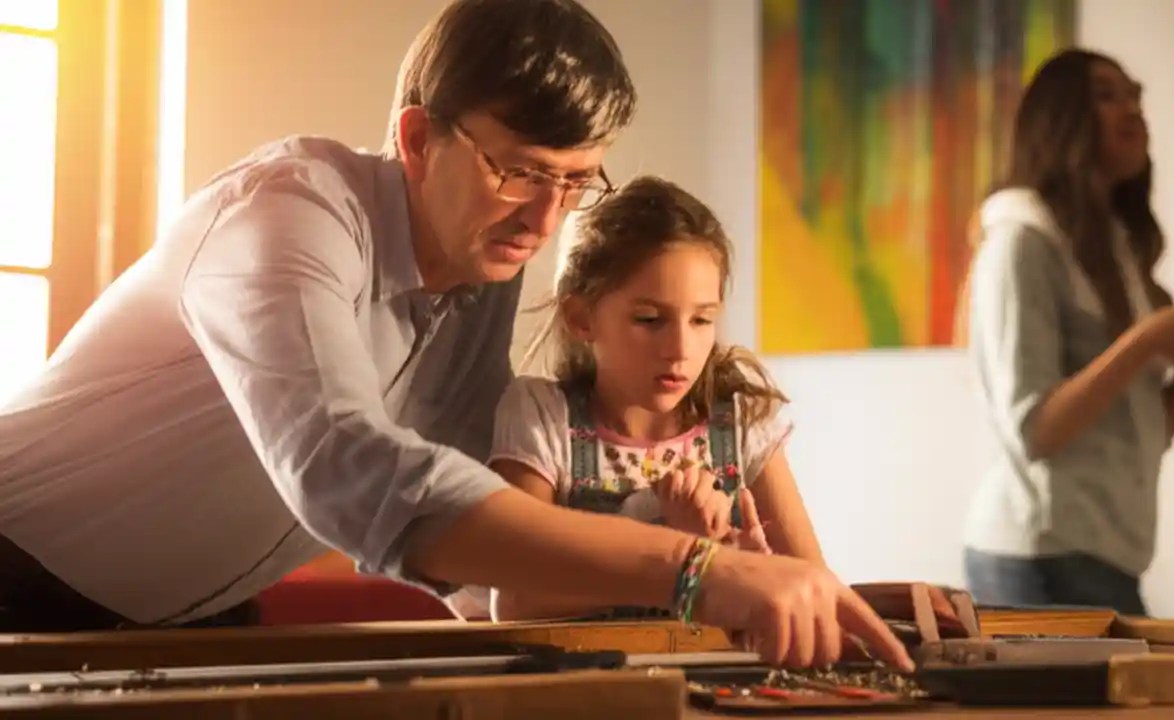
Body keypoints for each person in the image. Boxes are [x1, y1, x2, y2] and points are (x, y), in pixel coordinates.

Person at [0, 0, 913, 670]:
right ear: (414, 137)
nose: (547, 217)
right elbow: (348, 463)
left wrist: (826, 598)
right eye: (518, 171)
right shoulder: (286, 215)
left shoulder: (483, 275)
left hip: (197, 618)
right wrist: (689, 570)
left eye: (576, 181)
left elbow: (471, 513)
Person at [958, 48, 1174, 615]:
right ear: (1060, 118)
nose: (1133, 109)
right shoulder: (1021, 242)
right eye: (1107, 95)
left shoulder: (1113, 248)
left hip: (1103, 556)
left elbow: (1140, 435)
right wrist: (1151, 339)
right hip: (1039, 558)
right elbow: (1035, 431)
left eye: (1135, 95)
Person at [482, 176, 824, 621]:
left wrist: (757, 570)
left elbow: (814, 590)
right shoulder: (544, 418)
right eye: (649, 319)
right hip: (593, 686)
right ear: (581, 317)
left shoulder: (741, 425)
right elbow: (514, 600)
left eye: (702, 321)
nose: (680, 349)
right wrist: (686, 559)